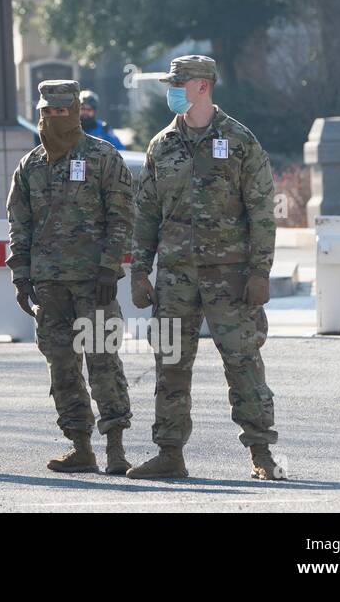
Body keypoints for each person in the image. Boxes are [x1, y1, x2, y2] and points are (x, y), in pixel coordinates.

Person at [127, 55, 284, 481]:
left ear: (202, 86)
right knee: (170, 364)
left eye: (177, 84)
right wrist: (139, 271)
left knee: (242, 360)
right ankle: (169, 453)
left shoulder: (240, 141)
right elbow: (145, 214)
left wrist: (260, 271)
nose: (171, 92)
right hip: (175, 276)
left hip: (229, 276)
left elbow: (262, 212)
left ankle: (262, 453)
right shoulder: (161, 145)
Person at [7, 80, 134, 474]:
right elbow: (19, 225)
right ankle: (80, 447)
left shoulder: (102, 156)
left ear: (76, 112)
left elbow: (122, 216)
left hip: (94, 283)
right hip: (49, 286)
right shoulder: (30, 166)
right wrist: (21, 276)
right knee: (61, 366)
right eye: (47, 112)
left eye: (61, 111)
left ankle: (116, 447)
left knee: (103, 363)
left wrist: (110, 266)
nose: (53, 118)